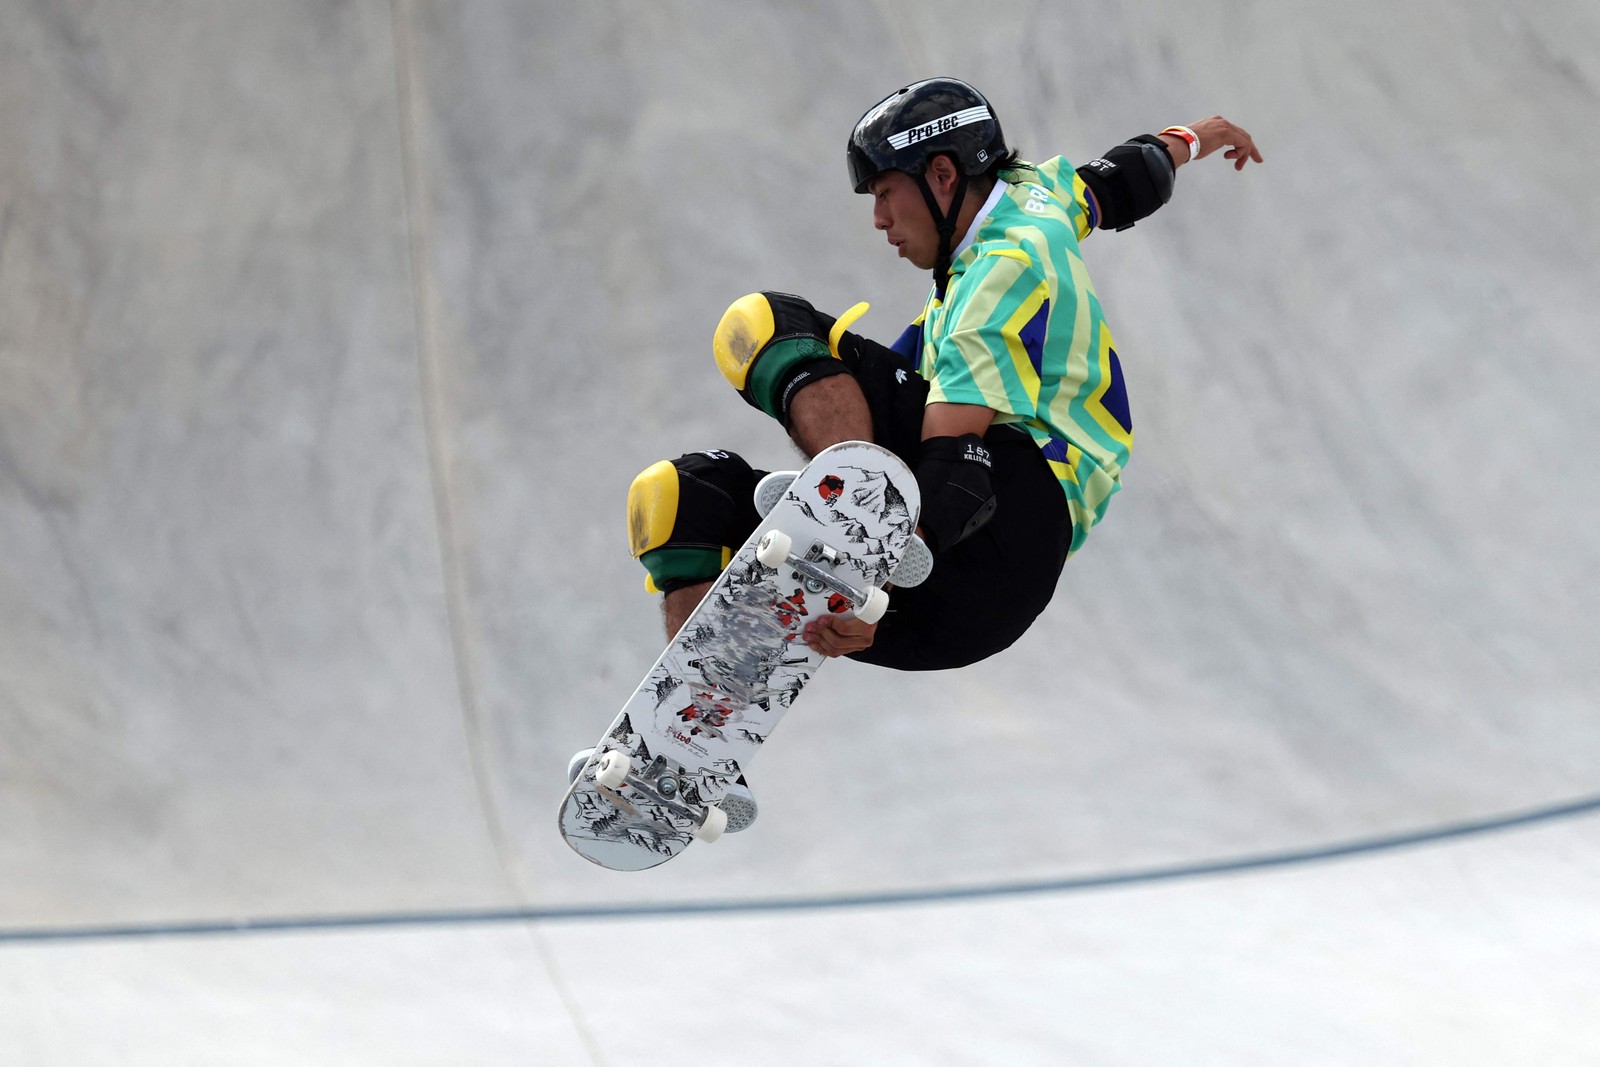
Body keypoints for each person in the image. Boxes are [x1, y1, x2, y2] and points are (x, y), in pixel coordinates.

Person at [577, 77, 1262, 824]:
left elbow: (956, 472)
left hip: (1004, 529)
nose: (877, 219)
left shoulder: (999, 277)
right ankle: (687, 753)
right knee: (682, 497)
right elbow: (1124, 178)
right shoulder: (1037, 195)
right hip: (940, 600)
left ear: (942, 176)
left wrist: (876, 580)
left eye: (884, 193)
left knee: (762, 325)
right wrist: (1201, 136)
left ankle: (858, 535)